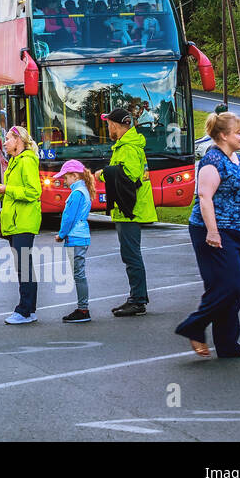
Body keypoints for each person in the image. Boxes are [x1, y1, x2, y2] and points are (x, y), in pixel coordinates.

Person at [176, 112, 240, 357]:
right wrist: (212, 231)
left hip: (239, 230)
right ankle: (193, 325)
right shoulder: (212, 161)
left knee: (235, 289)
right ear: (222, 135)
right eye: (238, 133)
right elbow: (204, 198)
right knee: (226, 286)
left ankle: (228, 344)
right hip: (213, 231)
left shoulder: (237, 160)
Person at [102, 107, 155, 316]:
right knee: (129, 254)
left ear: (115, 125)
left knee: (131, 255)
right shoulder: (124, 145)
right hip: (126, 208)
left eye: (108, 124)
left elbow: (129, 176)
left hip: (130, 210)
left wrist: (103, 173)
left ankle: (138, 300)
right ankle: (135, 297)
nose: (108, 128)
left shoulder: (128, 147)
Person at [0, 125, 41, 325]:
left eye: (8, 138)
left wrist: (6, 188)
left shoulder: (26, 162)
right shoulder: (15, 161)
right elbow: (14, 190)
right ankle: (28, 309)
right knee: (23, 267)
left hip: (24, 221)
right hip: (16, 221)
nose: (5, 142)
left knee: (24, 268)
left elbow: (34, 192)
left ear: (18, 141)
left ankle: (25, 311)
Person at [53, 160, 94, 323]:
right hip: (81, 236)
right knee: (79, 274)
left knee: (79, 274)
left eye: (66, 177)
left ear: (75, 176)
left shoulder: (77, 193)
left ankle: (83, 309)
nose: (64, 180)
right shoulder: (83, 190)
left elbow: (69, 218)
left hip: (75, 237)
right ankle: (82, 308)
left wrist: (61, 235)